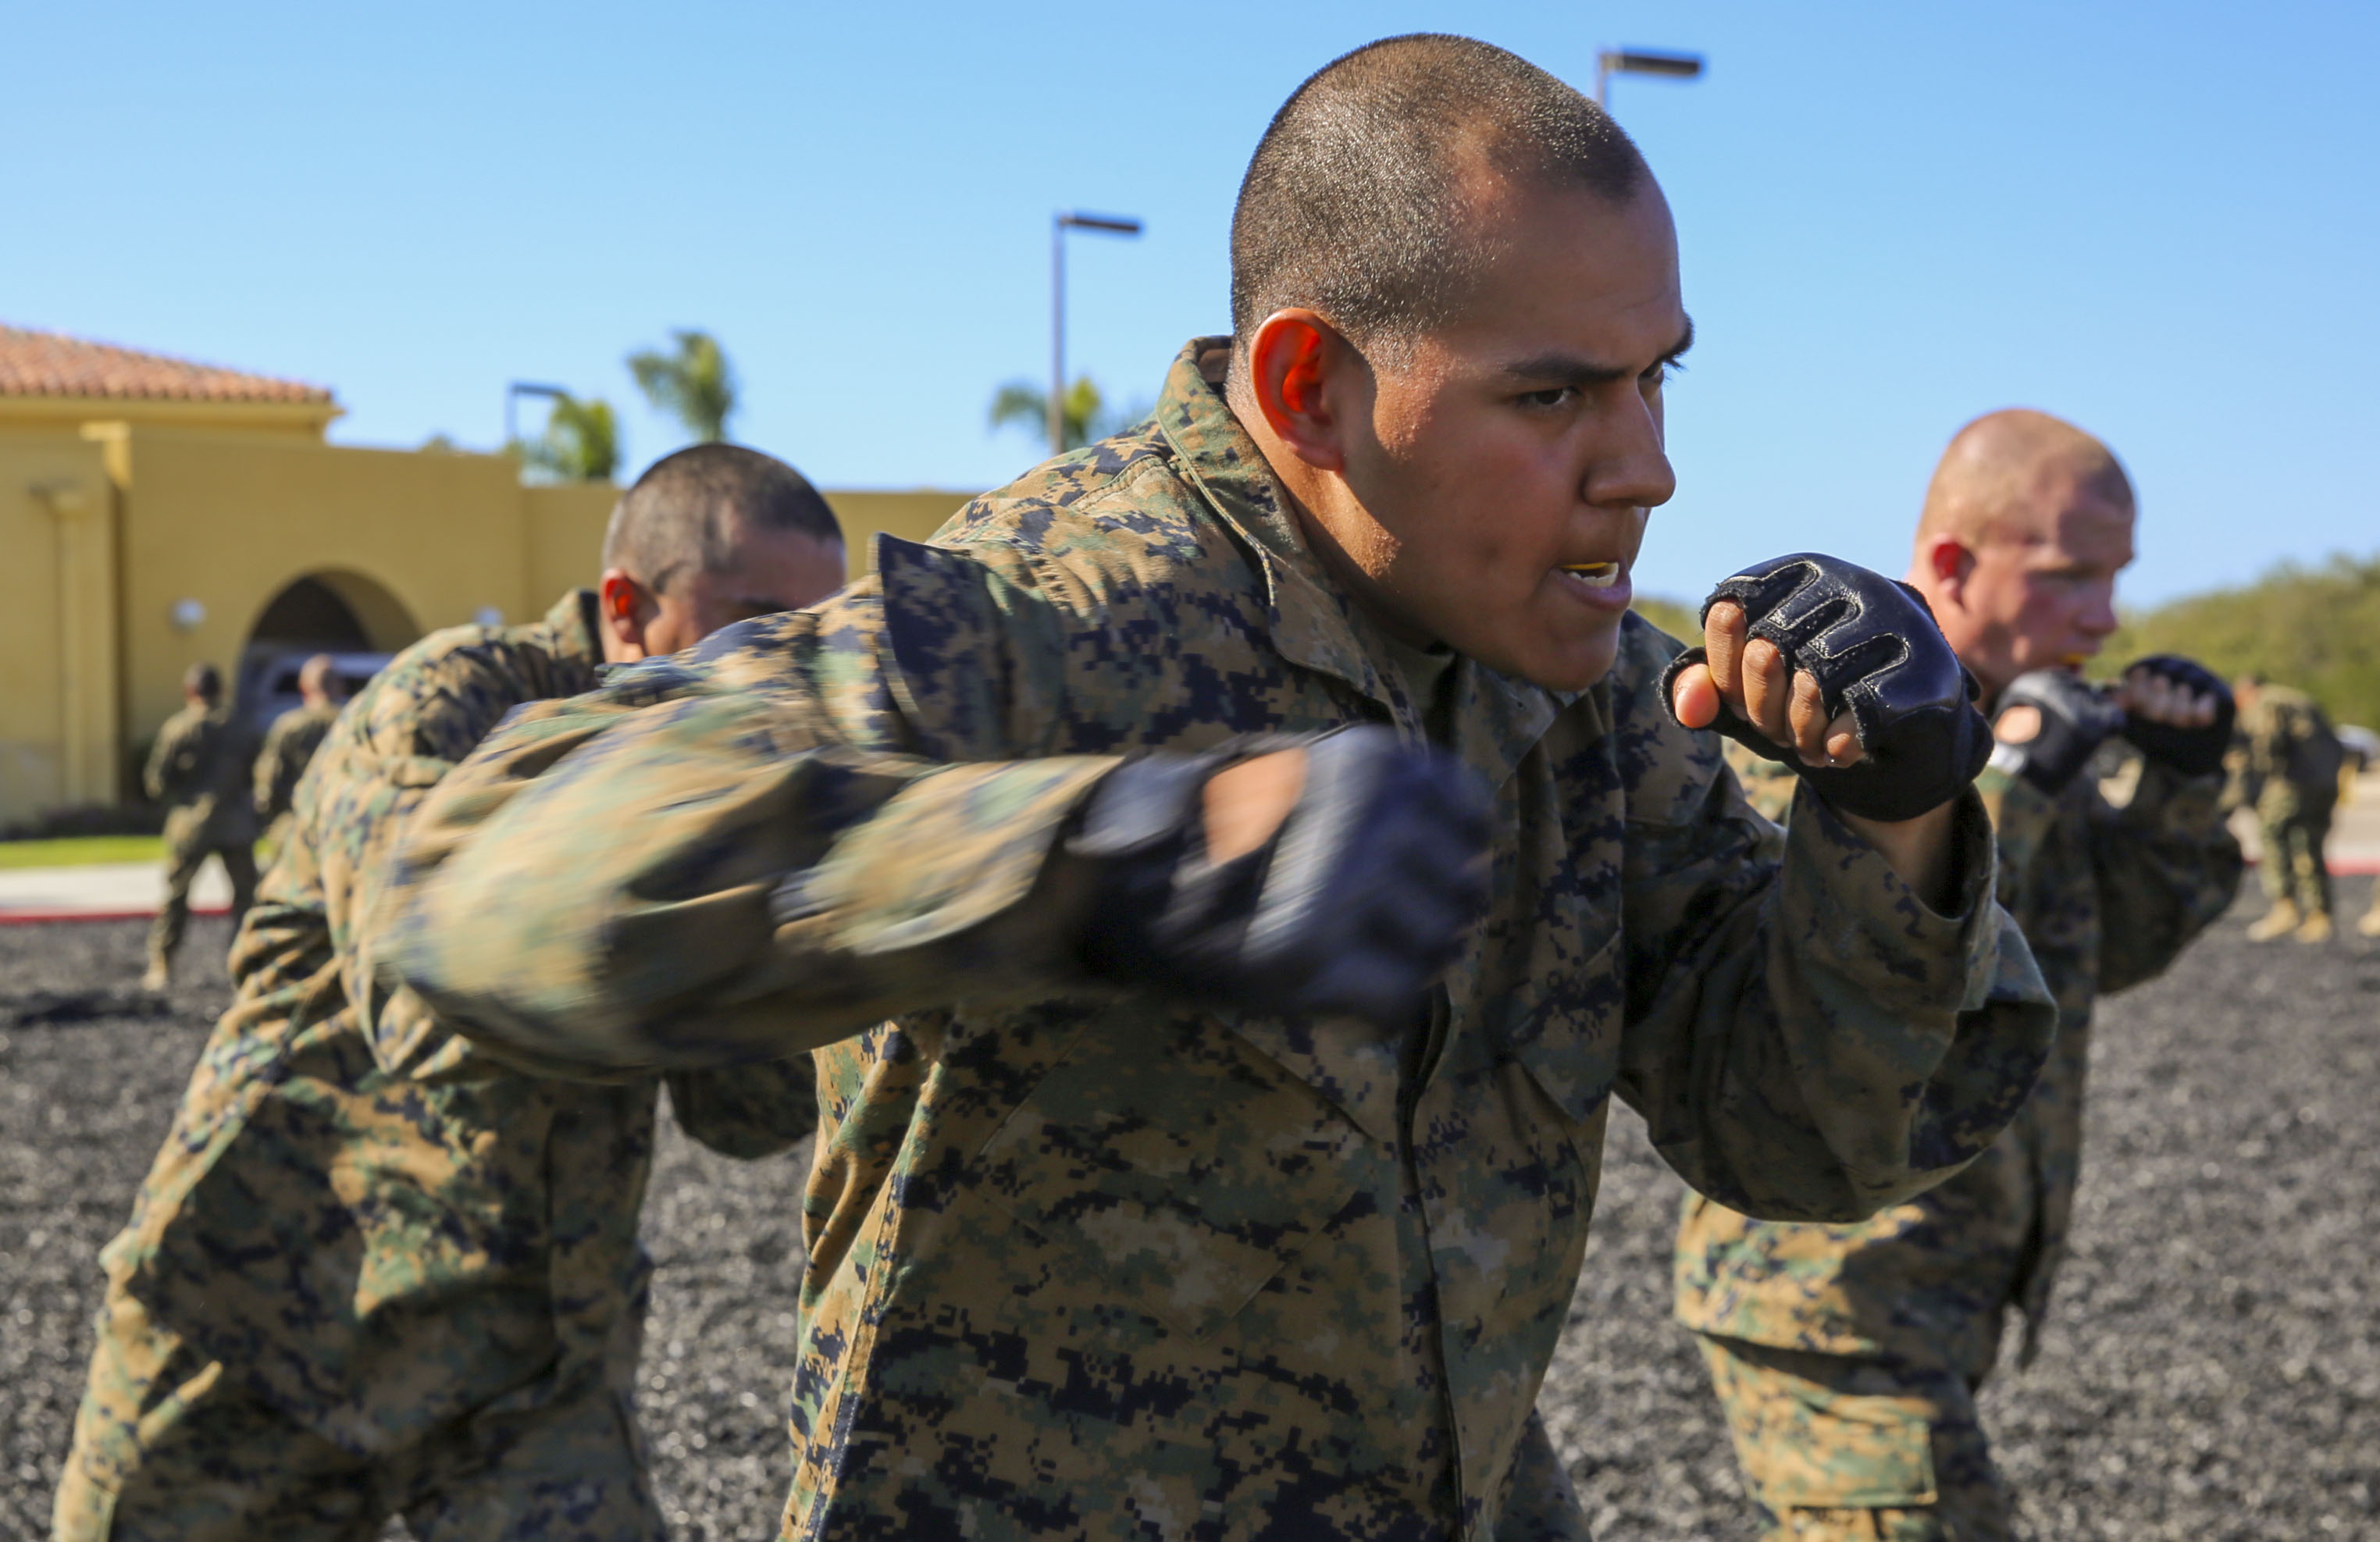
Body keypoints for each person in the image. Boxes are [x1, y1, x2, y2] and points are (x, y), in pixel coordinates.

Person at [379, 37, 2056, 1539]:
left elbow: (1804, 1137)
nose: (1647, 469)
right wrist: (1101, 862)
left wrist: (1889, 820)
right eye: (1550, 395)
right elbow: (475, 884)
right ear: (1307, 391)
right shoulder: (1055, 618)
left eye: (1655, 379)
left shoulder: (1589, 703)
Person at [56, 443, 850, 1542]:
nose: (791, 666)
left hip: (527, 1364)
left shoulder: (732, 776)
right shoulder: (454, 703)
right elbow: (428, 990)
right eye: (758, 624)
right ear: (626, 605)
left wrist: (816, 909)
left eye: (820, 634)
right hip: (268, 1314)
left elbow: (742, 1113)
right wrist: (698, 880)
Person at [1676, 409, 2243, 1540]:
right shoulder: (1833, 710)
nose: (2106, 615)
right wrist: (2018, 775)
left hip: (1936, 1285)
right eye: (2073, 574)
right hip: (1826, 1289)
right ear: (1951, 564)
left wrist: (2177, 789)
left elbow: (2096, 950)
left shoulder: (2026, 711)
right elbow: (1855, 936)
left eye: (2115, 579)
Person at [141, 661, 261, 992]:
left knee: (176, 897)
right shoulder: (240, 727)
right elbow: (257, 775)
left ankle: (162, 965)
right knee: (245, 900)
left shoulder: (179, 728)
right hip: (236, 824)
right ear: (220, 691)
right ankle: (245, 966)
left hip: (191, 826)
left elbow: (157, 783)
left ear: (190, 691)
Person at [2232, 674, 2343, 942]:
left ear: (2246, 691)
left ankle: (2285, 908)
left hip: (2293, 782)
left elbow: (2266, 743)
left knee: (2272, 835)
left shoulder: (2267, 702)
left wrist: (2253, 785)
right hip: (2325, 781)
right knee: (2309, 844)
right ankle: (2319, 917)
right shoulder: (2297, 697)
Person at [253, 653, 347, 831]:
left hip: (299, 825)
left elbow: (270, 782)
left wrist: (270, 819)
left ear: (303, 687)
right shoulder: (353, 722)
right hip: (345, 826)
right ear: (340, 687)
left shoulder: (289, 726)